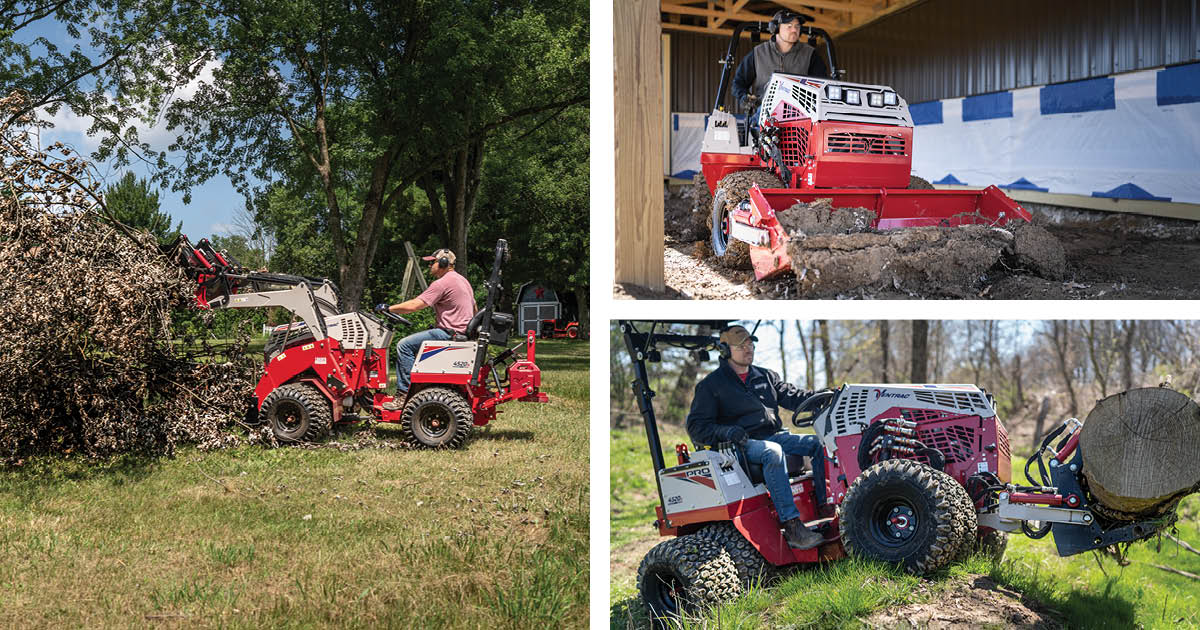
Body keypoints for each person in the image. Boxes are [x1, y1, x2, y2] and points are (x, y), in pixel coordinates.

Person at [685, 325, 825, 550]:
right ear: (725, 350)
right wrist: (726, 431)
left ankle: (825, 506)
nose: (748, 349)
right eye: (741, 346)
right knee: (772, 452)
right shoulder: (711, 386)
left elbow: (794, 397)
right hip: (740, 445)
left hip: (772, 435)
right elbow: (696, 426)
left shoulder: (766, 376)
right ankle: (792, 526)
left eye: (750, 344)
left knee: (818, 444)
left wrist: (823, 395)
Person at [377, 248, 476, 409]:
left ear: (443, 263)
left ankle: (404, 395)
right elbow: (475, 309)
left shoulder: (442, 282)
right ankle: (418, 388)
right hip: (461, 333)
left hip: (449, 334)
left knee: (404, 345)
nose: (429, 266)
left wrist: (388, 309)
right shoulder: (463, 280)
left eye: (432, 262)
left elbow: (415, 305)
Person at [732, 10, 829, 130]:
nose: (794, 30)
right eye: (789, 26)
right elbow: (738, 83)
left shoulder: (810, 55)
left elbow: (823, 85)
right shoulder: (759, 53)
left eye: (797, 26)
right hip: (764, 114)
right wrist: (744, 98)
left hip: (799, 116)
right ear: (775, 28)